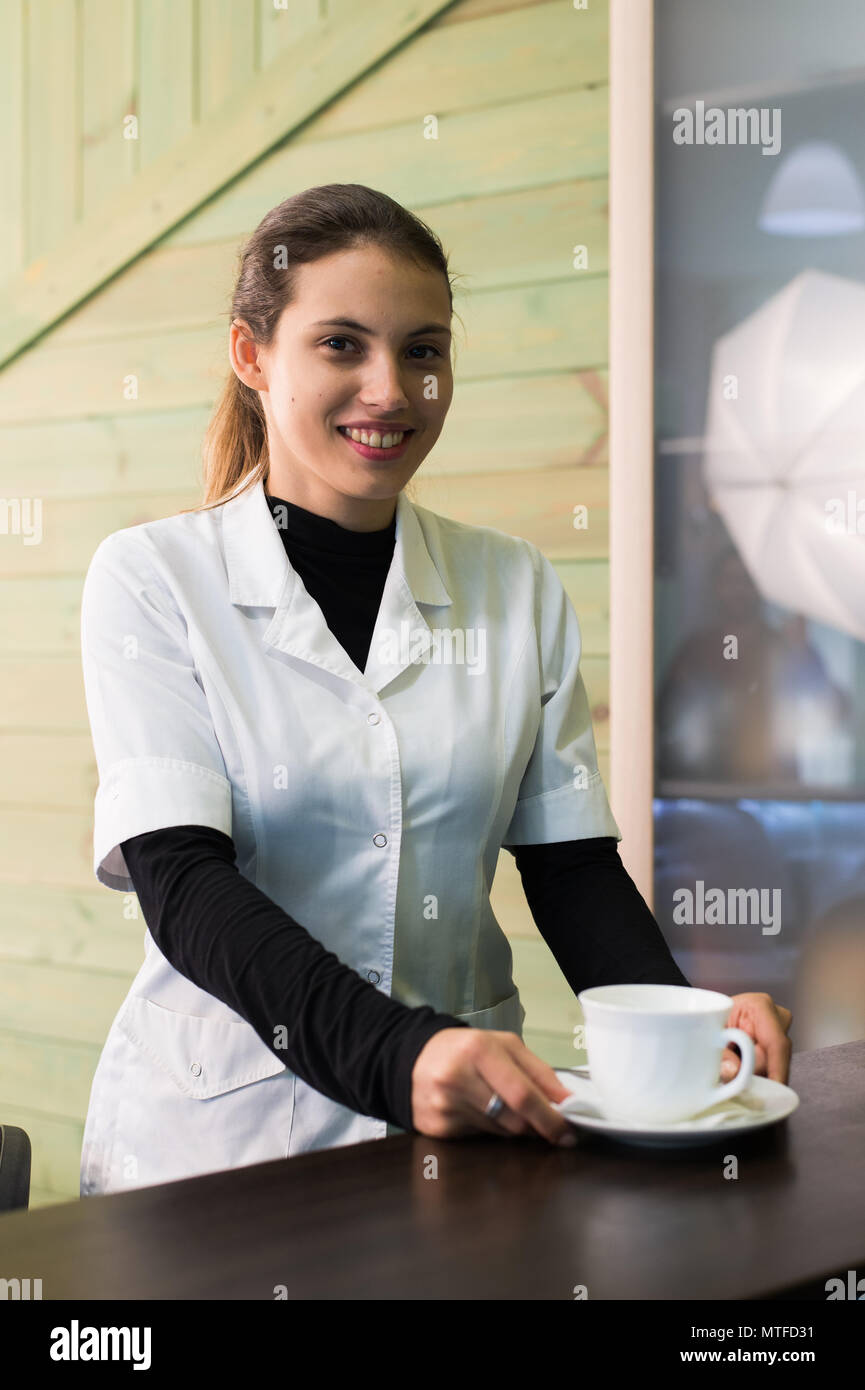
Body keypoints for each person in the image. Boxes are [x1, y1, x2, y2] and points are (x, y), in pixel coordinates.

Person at [79, 184, 792, 1195]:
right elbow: (182, 885)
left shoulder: (513, 584)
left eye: (422, 350)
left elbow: (572, 872)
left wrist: (688, 1033)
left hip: (465, 1142)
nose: (391, 388)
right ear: (252, 356)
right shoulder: (152, 580)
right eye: (341, 344)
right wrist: (399, 1054)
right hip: (223, 1150)